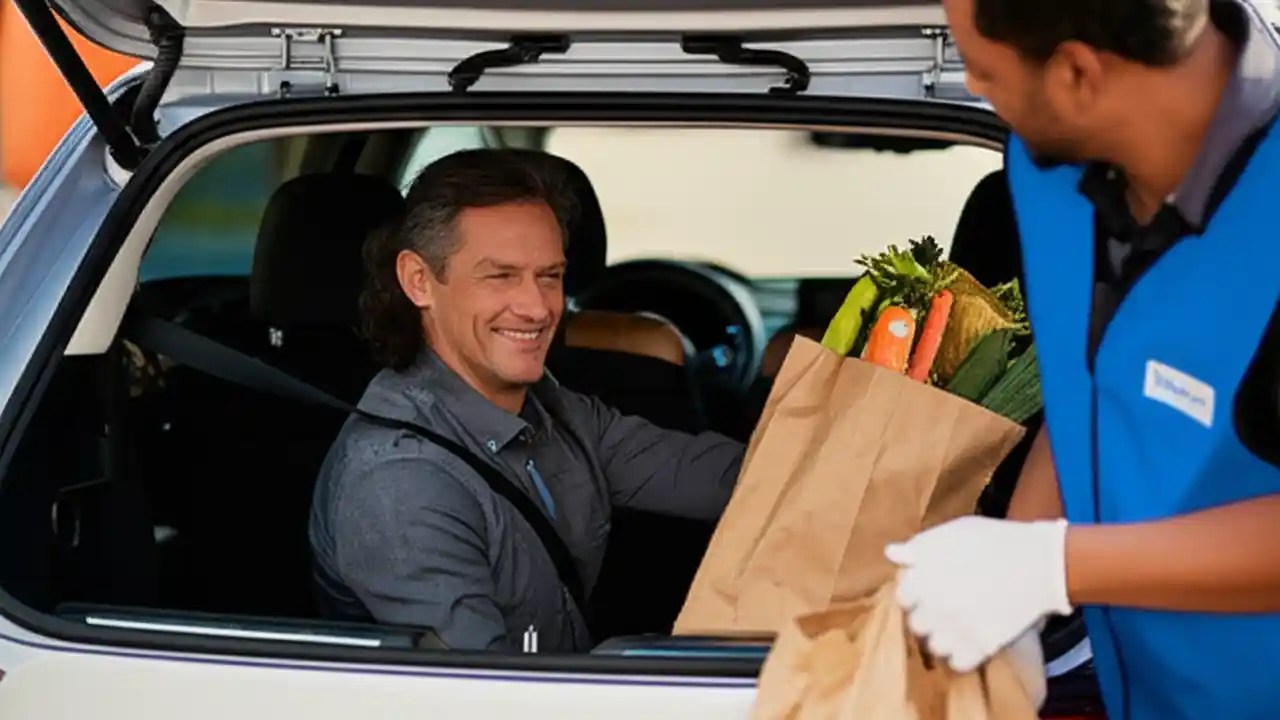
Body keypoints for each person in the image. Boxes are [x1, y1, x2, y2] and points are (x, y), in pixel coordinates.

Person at [885, 1, 1280, 718]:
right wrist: (1016, 592)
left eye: (980, 67)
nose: (973, 86)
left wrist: (1049, 569)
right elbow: (1092, 394)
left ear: (1076, 72)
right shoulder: (1044, 178)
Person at [308, 149, 745, 652]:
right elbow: (483, 695)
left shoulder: (553, 411)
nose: (538, 308)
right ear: (419, 281)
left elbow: (727, 478)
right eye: (501, 276)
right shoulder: (402, 482)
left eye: (550, 276)